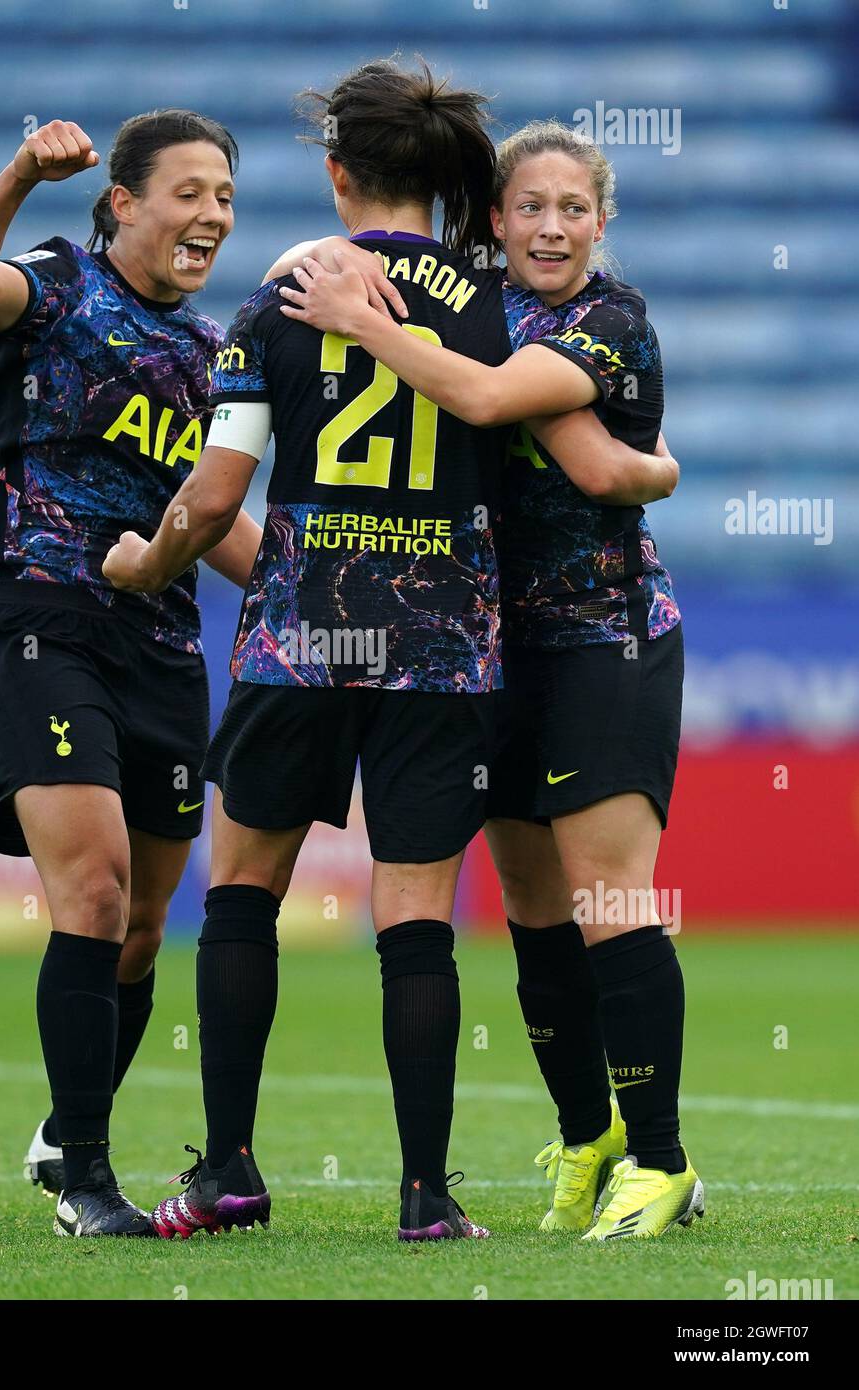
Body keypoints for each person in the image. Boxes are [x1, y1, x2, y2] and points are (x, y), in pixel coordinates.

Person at [103, 64, 675, 1242]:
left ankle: (231, 1172)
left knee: (242, 895)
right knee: (415, 908)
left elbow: (213, 500)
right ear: (464, 183)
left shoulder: (284, 300)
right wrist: (655, 466)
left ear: (335, 173)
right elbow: (581, 448)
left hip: (301, 633)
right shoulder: (500, 301)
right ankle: (426, 1195)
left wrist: (148, 567)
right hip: (444, 645)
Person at [279, 118, 700, 1242]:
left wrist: (367, 323)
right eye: (528, 207)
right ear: (493, 219)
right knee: (533, 911)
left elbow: (484, 404)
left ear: (602, 221)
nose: (551, 226)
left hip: (602, 638)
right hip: (481, 649)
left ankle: (661, 1159)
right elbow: (315, 270)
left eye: (573, 208)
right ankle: (588, 1136)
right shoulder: (470, 301)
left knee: (611, 900)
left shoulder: (609, 319)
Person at [0, 111, 262, 1237]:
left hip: (160, 646)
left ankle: (64, 1128)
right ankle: (87, 1182)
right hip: (42, 616)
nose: (211, 213)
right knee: (98, 888)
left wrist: (325, 600)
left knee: (142, 924)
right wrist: (21, 167)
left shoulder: (214, 352)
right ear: (122, 202)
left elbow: (210, 517)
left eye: (224, 194)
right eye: (188, 191)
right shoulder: (60, 287)